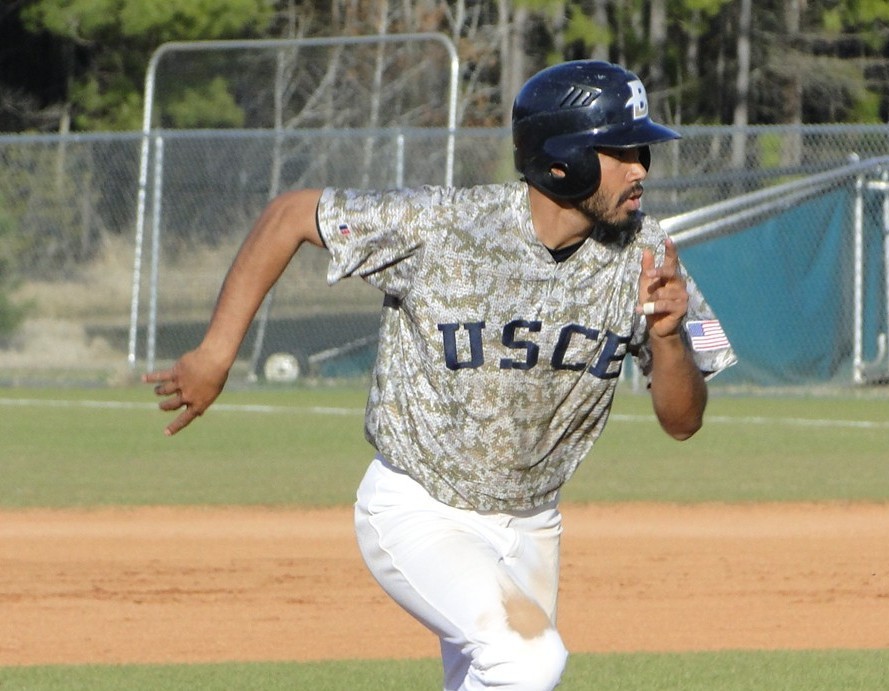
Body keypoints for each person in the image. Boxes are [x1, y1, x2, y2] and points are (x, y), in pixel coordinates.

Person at [144, 60, 736, 691]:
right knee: (528, 661)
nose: (640, 167)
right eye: (618, 150)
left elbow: (683, 422)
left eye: (640, 148)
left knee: (504, 676)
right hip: (419, 506)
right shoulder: (446, 225)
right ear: (561, 160)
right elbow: (292, 214)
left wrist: (669, 338)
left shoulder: (651, 258)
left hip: (535, 524)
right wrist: (214, 354)